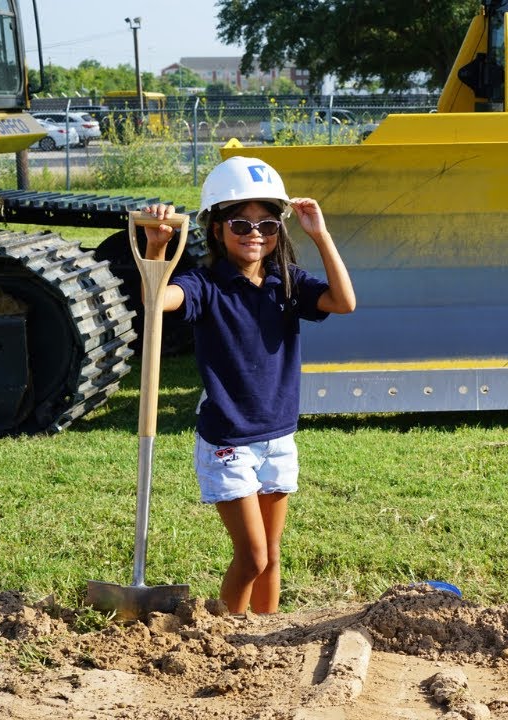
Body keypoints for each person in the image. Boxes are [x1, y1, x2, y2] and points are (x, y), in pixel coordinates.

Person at [141, 156, 356, 615]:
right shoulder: (204, 284)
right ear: (216, 230)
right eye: (240, 223)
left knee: (272, 557)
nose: (255, 233)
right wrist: (157, 250)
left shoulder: (287, 284)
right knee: (253, 556)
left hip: (278, 436)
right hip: (228, 441)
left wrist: (320, 233)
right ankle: (225, 636)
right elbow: (158, 301)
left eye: (267, 224)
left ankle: (266, 638)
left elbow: (344, 301)